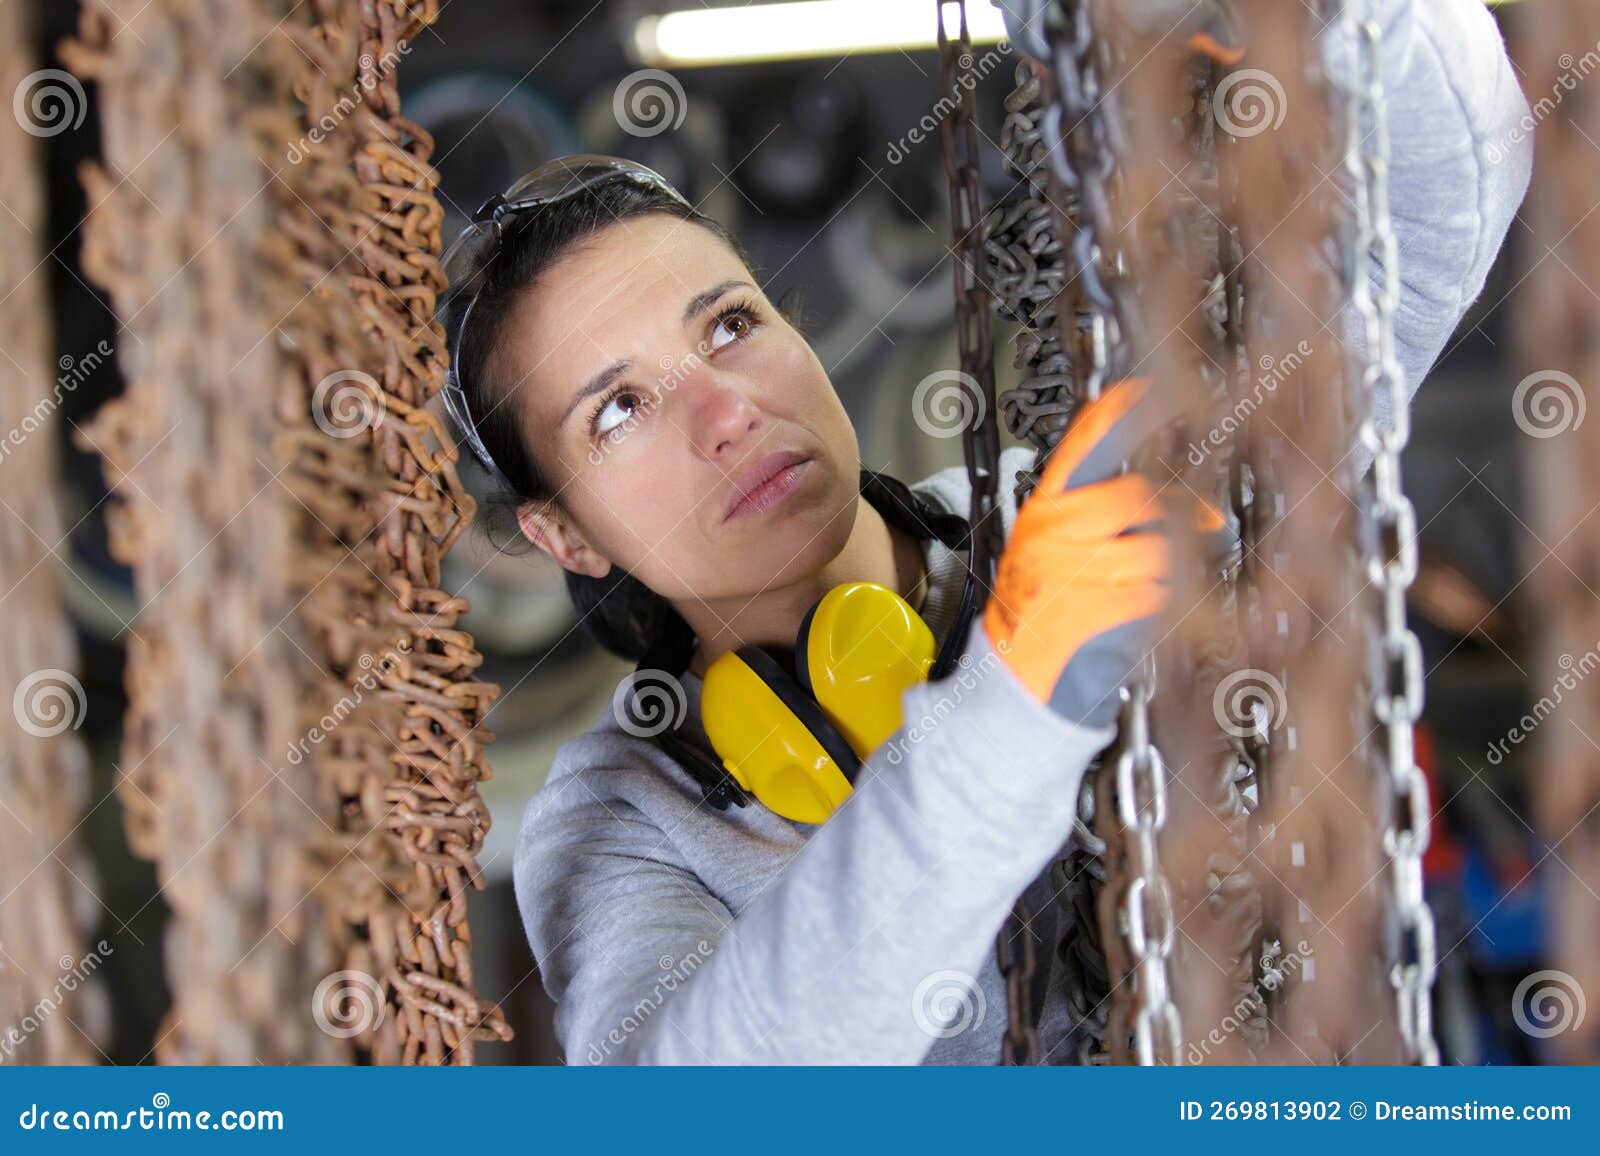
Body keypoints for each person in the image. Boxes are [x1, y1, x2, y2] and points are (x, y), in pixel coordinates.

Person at [440, 0, 1532, 1064]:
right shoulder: (628, 815)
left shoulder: (1082, 519)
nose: (728, 414)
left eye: (729, 326)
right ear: (565, 535)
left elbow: (1440, 183)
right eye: (618, 409)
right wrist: (1013, 695)